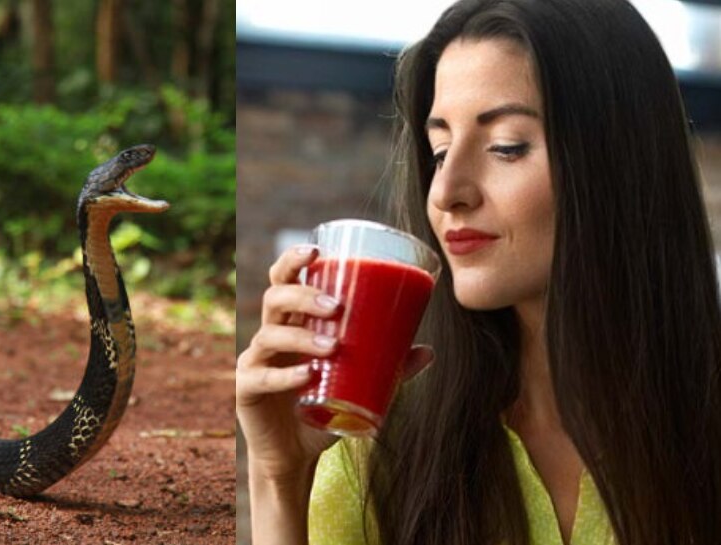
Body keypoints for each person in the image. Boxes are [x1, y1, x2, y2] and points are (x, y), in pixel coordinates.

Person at [236, 0, 721, 544]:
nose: (445, 193)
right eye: (439, 151)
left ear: (620, 162)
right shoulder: (380, 459)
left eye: (505, 147)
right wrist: (277, 475)